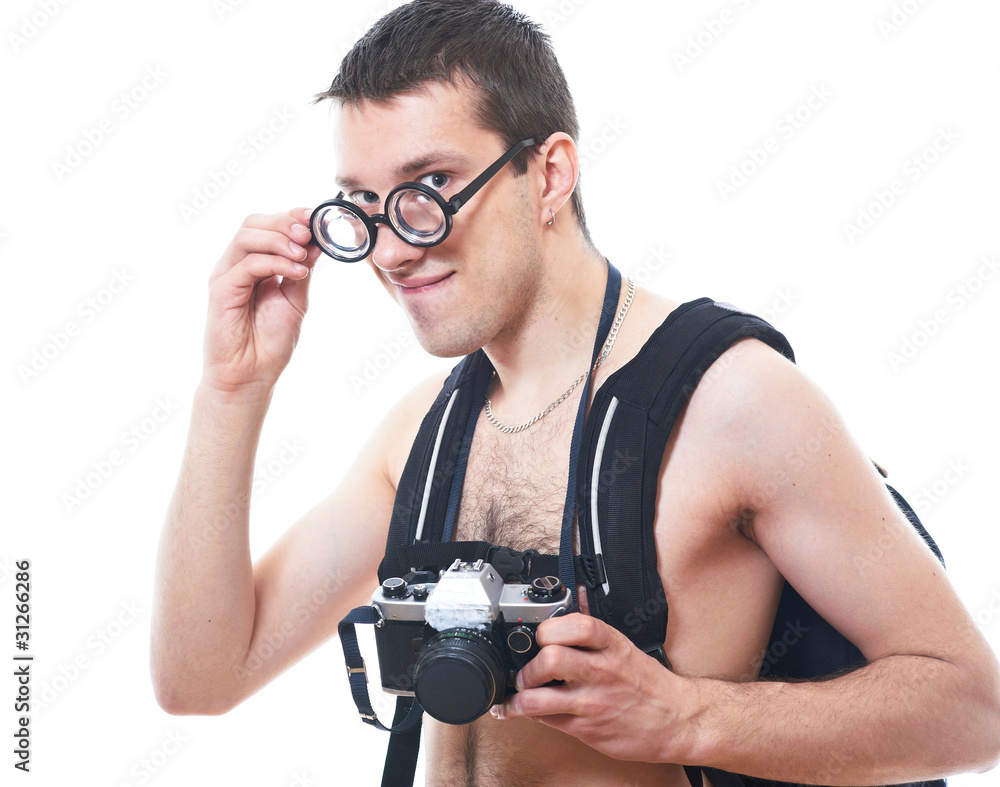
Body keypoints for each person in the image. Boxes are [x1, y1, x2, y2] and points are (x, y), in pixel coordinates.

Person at [150, 1, 1000, 784]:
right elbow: (202, 677)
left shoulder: (734, 405)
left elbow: (971, 707)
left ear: (550, 173)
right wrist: (233, 388)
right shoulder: (422, 434)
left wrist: (687, 717)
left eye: (430, 189)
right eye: (364, 208)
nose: (393, 249)